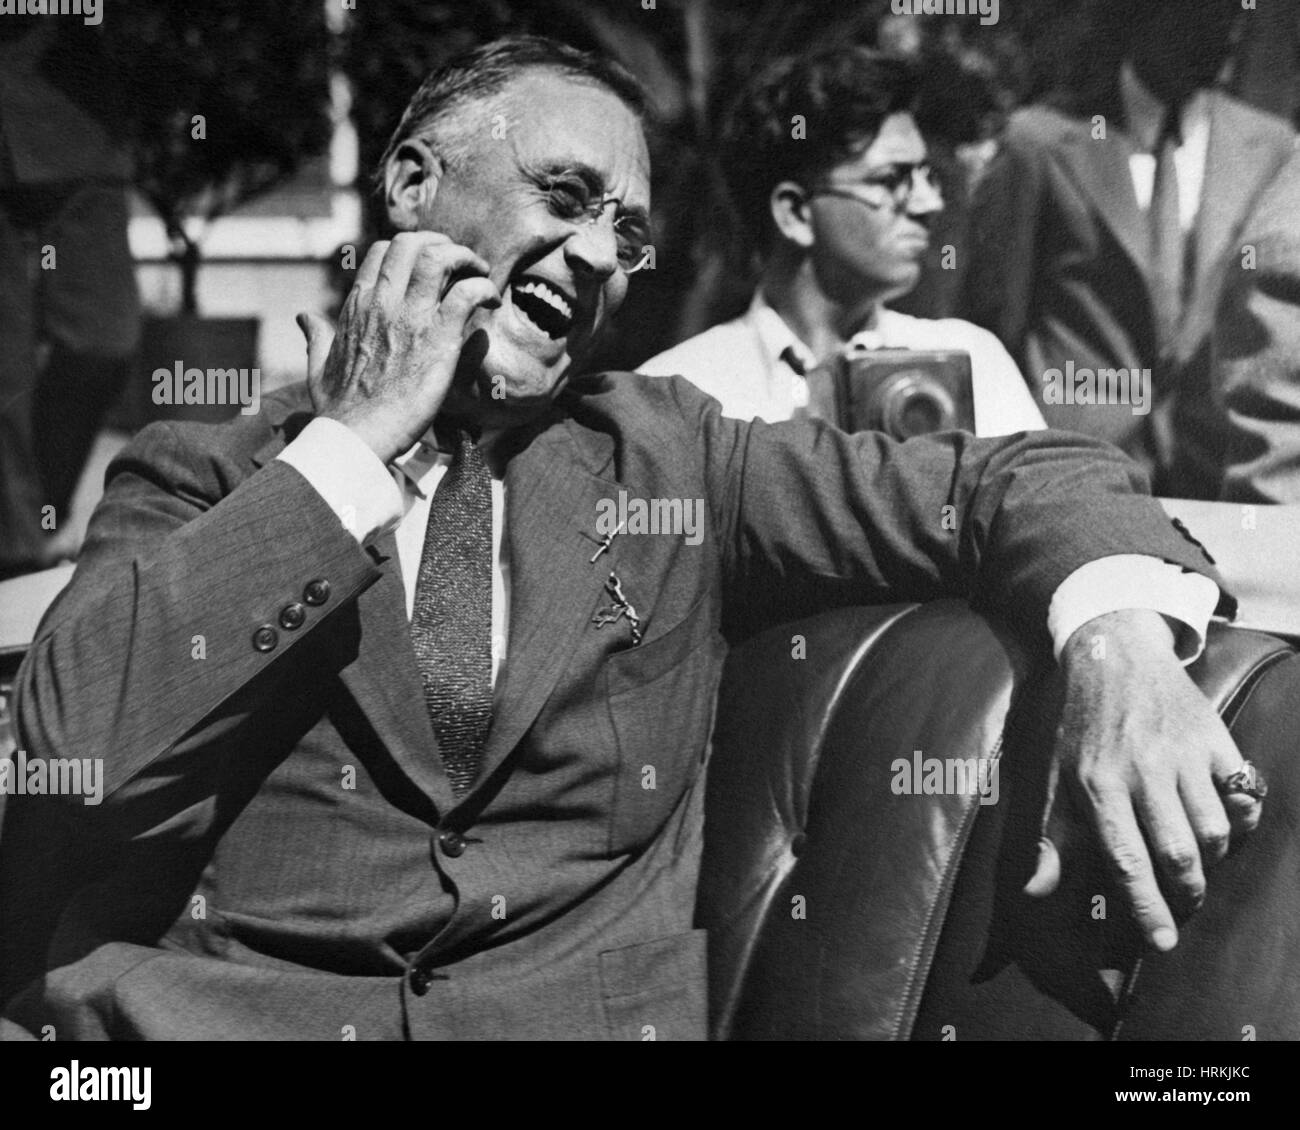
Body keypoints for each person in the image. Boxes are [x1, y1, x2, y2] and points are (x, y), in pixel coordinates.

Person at [1, 36, 1261, 1041]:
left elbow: (1018, 477)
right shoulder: (212, 468)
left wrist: (1116, 643)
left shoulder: (673, 457)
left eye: (633, 231)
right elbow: (72, 763)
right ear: (409, 185)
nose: (605, 253)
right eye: (566, 196)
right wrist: (354, 443)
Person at [959, 0, 1296, 497]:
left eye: (1232, 16)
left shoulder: (1270, 144)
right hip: (1072, 471)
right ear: (1134, 16)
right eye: (1196, 14)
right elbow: (991, 325)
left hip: (1210, 472)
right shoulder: (1041, 142)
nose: (1223, 34)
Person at [639, 47, 1044, 437]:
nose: (930, 204)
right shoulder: (678, 391)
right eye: (891, 181)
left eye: (928, 177)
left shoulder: (970, 360)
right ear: (795, 213)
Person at [0, 18, 141, 579]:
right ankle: (17, 549)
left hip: (77, 123)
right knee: (3, 368)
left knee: (106, 335)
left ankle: (30, 518)